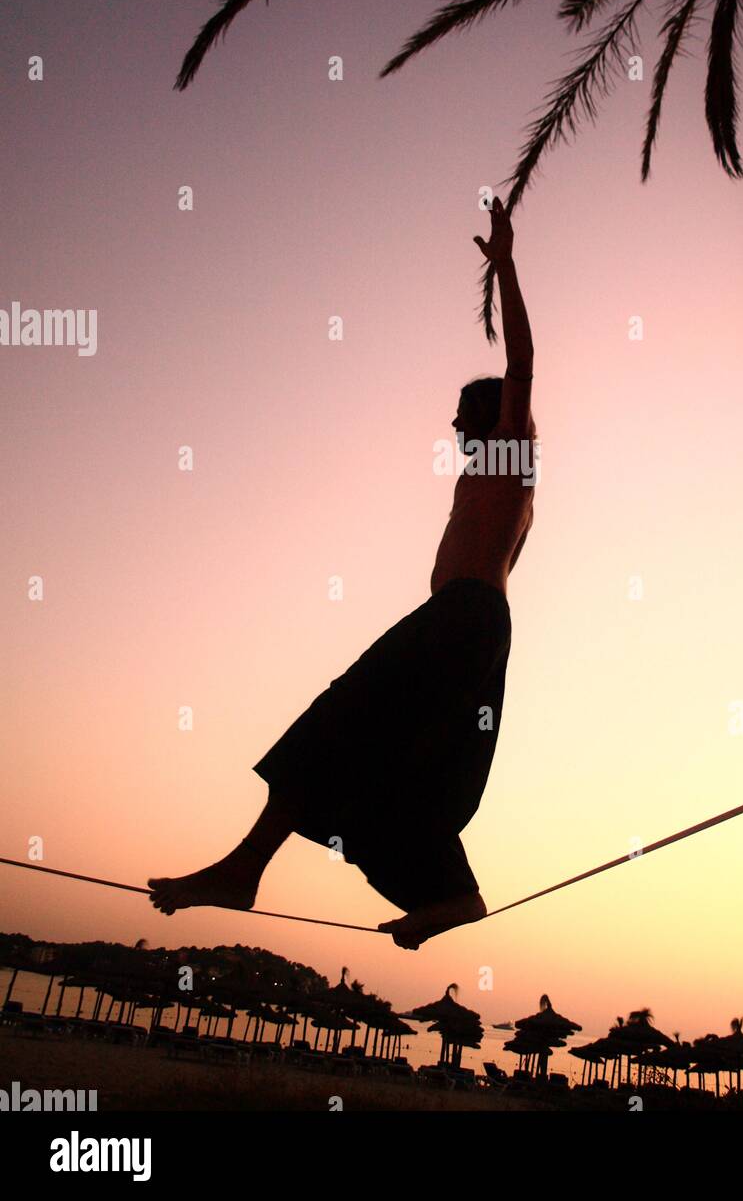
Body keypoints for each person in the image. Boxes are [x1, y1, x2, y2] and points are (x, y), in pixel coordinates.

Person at [148, 198, 535, 949]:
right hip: (469, 628)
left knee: (339, 716)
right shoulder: (491, 473)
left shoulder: (512, 453)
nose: (453, 425)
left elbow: (522, 363)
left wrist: (507, 267)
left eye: (463, 412)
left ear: (496, 416)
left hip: (465, 617)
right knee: (390, 773)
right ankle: (449, 894)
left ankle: (242, 869)